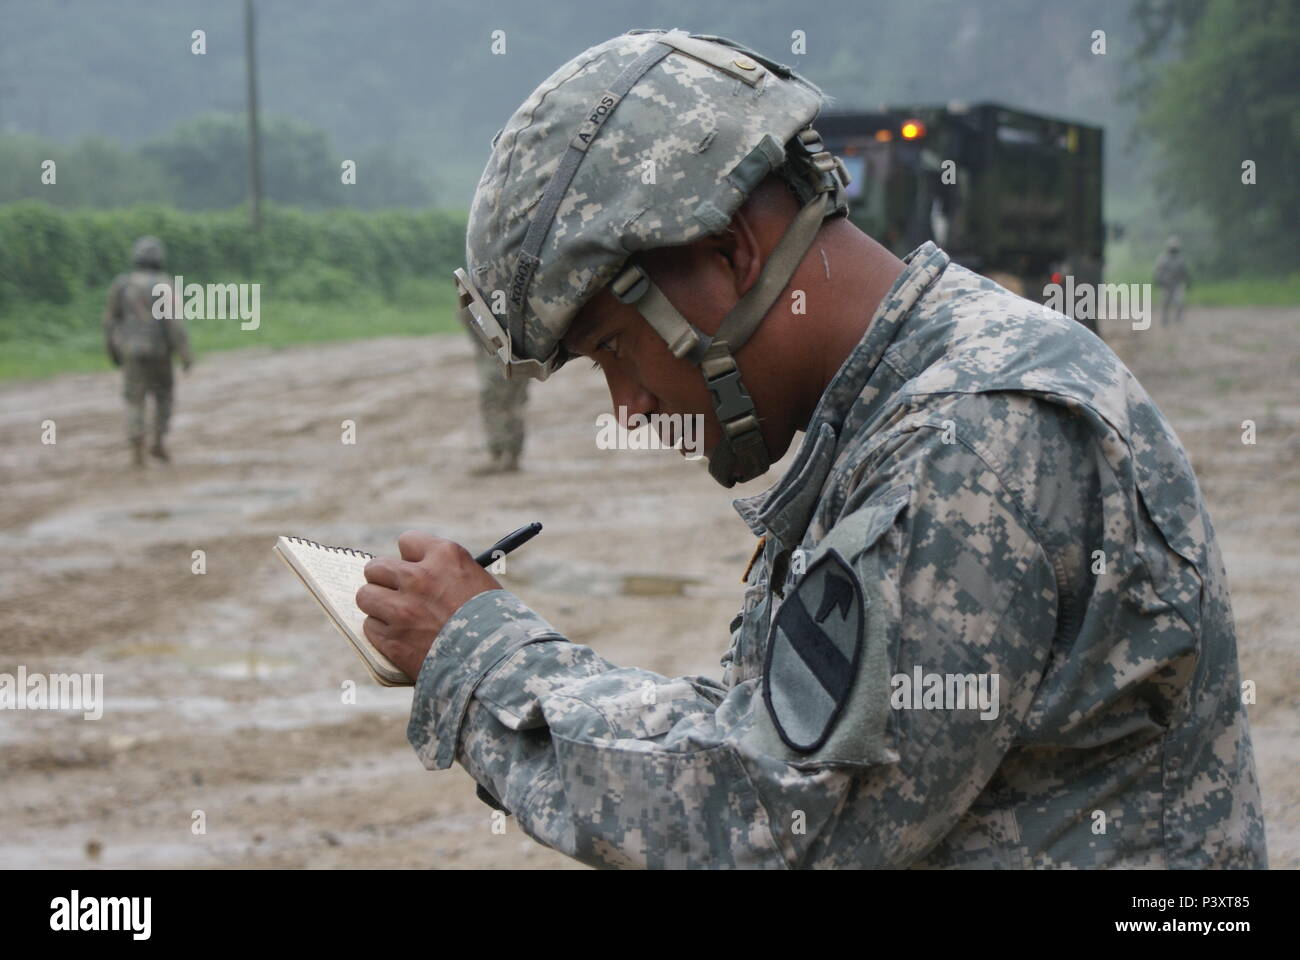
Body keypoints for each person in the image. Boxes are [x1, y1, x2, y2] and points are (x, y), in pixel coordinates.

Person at [357, 30, 1266, 868]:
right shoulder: (904, 405)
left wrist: (486, 660)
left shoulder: (969, 442)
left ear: (729, 255)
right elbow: (774, 736)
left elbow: (773, 819)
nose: (628, 406)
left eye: (612, 347)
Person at [103, 236, 192, 466]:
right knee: (163, 396)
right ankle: (158, 440)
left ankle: (137, 451)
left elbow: (110, 321)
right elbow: (174, 323)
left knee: (135, 399)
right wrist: (184, 354)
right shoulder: (164, 283)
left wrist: (112, 349)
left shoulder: (122, 284)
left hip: (130, 351)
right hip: (160, 352)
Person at [466, 322, 528, 474]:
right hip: (521, 353)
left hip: (497, 354)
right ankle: (512, 455)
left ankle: (499, 455)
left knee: (494, 403)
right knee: (514, 403)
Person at [1154, 235, 1189, 326]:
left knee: (1180, 302)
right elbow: (1158, 271)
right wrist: (1159, 281)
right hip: (1166, 284)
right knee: (1165, 303)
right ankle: (1164, 319)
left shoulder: (1180, 259)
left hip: (1177, 284)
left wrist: (1187, 281)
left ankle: (1178, 318)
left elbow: (1184, 271)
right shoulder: (1162, 258)